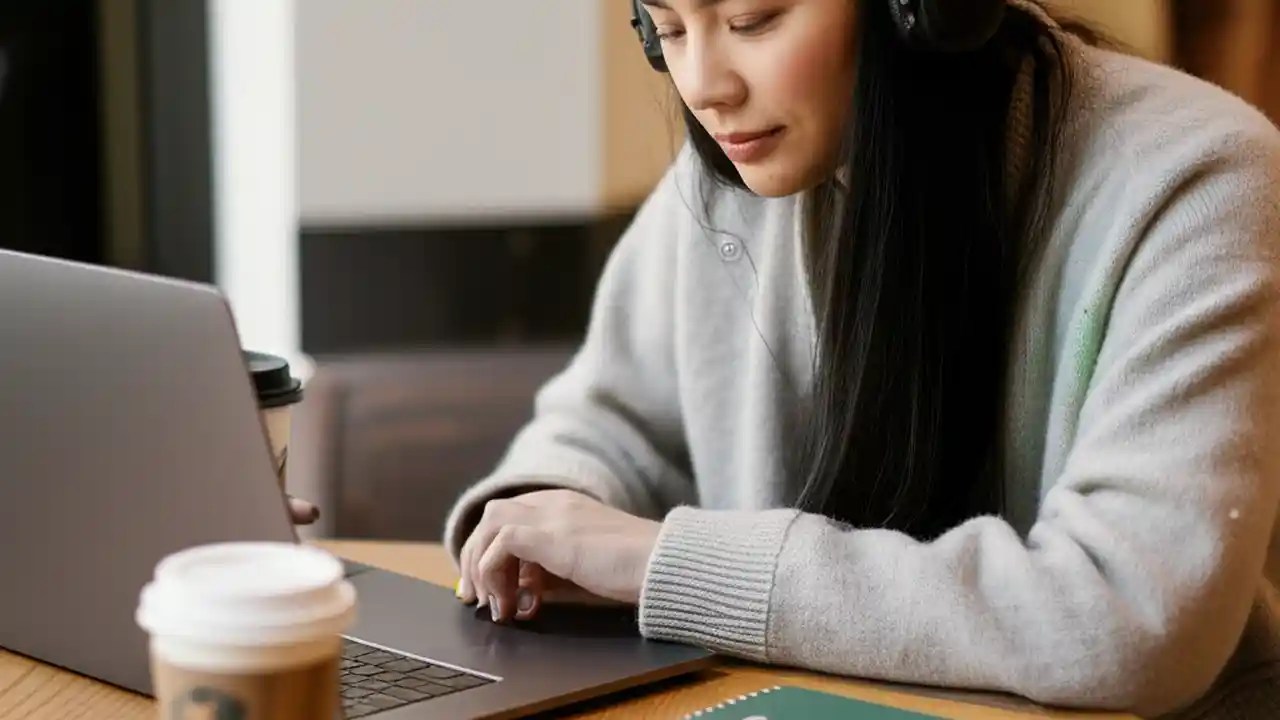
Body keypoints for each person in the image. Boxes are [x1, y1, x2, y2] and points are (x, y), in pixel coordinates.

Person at [422, 0, 1280, 716]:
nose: (704, 87)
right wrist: (541, 521)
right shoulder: (734, 174)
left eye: (753, 18)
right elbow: (605, 424)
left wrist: (664, 563)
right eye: (668, 28)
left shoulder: (1198, 179)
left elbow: (1130, 619)